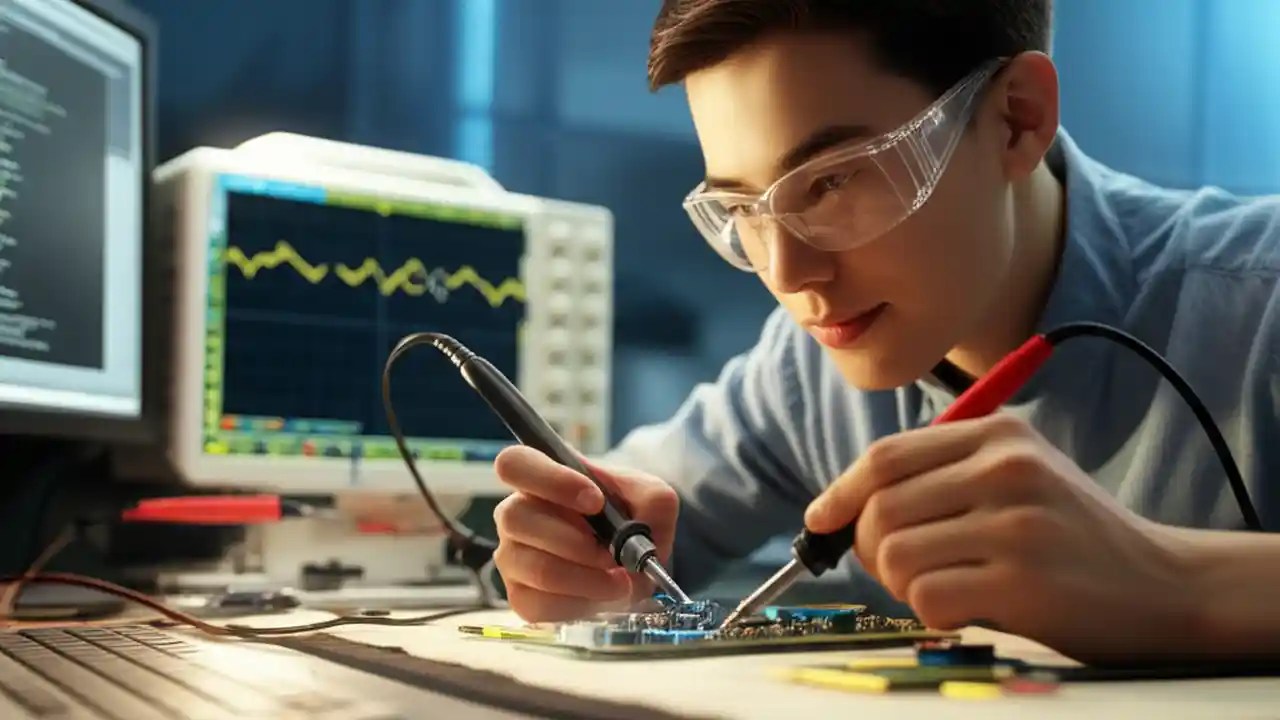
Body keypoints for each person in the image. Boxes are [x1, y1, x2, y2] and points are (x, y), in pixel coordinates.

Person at [491, 0, 1280, 662]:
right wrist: (577, 555)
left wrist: (1178, 585)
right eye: (740, 209)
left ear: (1016, 120)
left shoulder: (1259, 304)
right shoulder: (808, 371)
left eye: (831, 182)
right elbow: (627, 519)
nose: (789, 274)